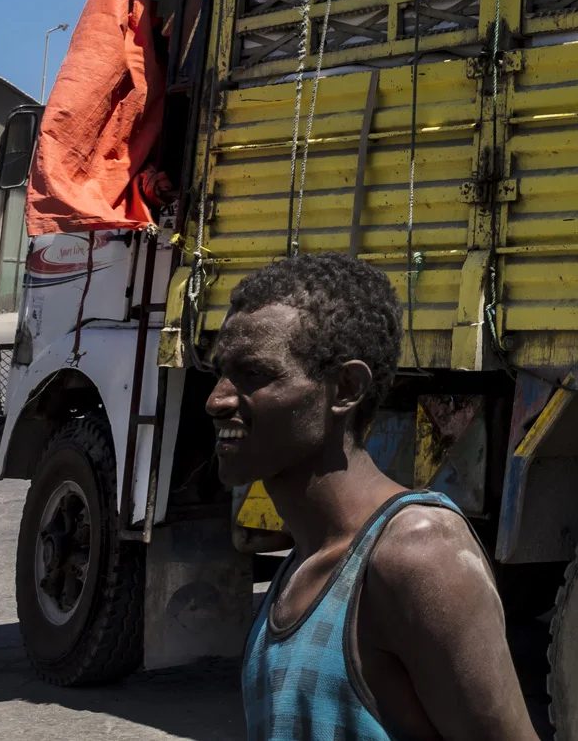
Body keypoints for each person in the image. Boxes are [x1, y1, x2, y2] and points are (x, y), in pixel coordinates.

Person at [212, 252, 539, 741]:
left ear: (345, 388)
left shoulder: (416, 553)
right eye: (220, 371)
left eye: (254, 374)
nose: (216, 399)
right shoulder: (301, 563)